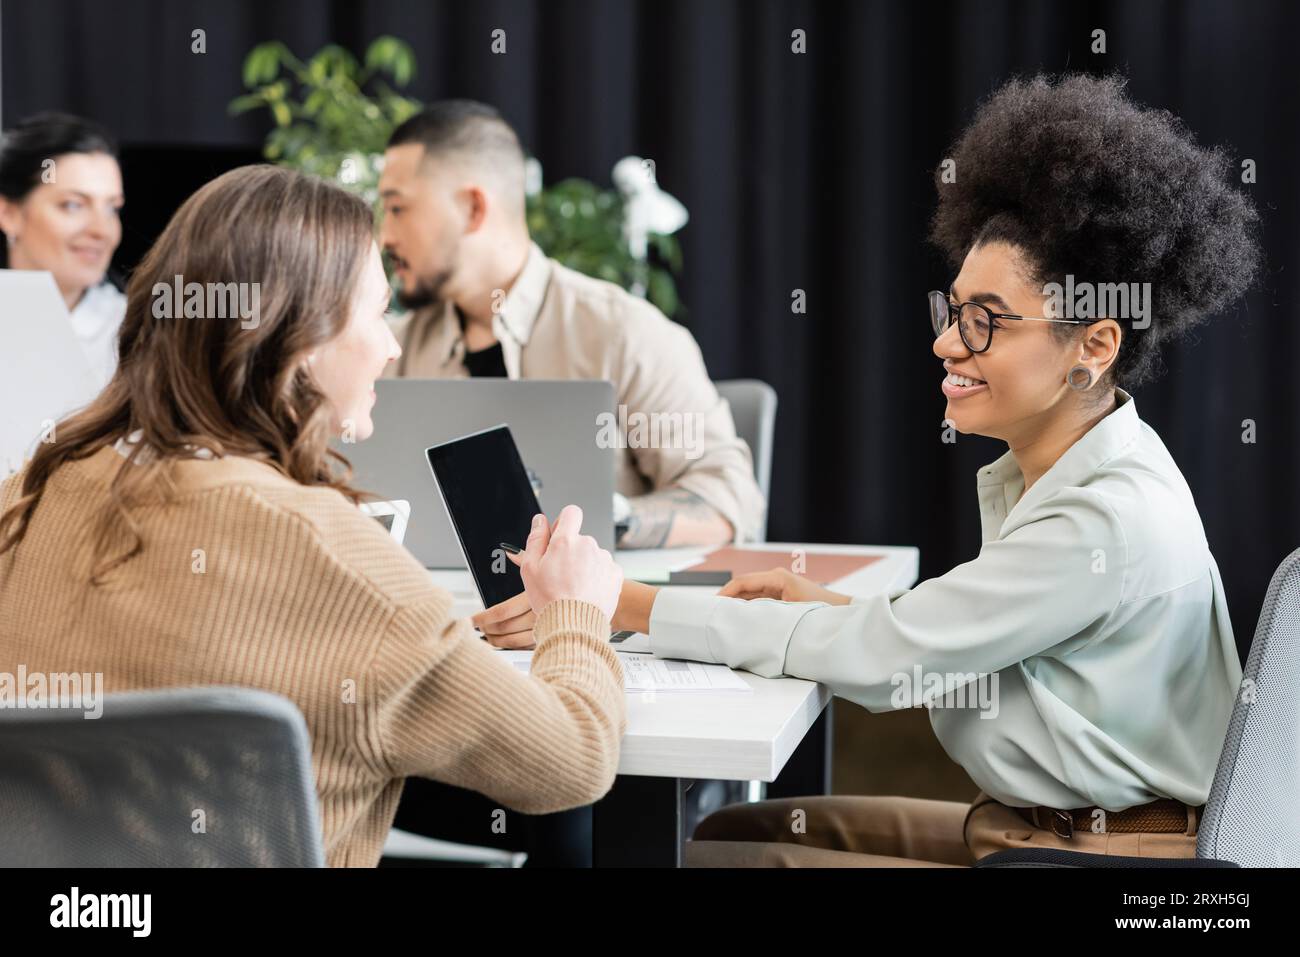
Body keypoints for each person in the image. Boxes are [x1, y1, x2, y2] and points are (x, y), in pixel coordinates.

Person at [490, 73, 1261, 866]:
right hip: (1034, 829)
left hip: (1098, 860)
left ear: (1093, 347)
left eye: (985, 323)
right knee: (725, 834)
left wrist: (620, 599)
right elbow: (949, 649)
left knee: (720, 861)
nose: (948, 344)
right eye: (953, 312)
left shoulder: (1102, 517)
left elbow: (891, 661)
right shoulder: (1093, 466)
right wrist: (826, 607)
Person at [0, 164, 627, 868]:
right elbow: (572, 762)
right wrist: (577, 615)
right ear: (300, 336)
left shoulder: (28, 493)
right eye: (377, 311)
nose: (392, 345)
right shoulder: (336, 560)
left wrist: (437, 647)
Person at [377, 99, 765, 550]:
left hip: (588, 616)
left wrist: (604, 521)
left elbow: (727, 500)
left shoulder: (623, 333)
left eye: (397, 209)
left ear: (473, 209)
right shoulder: (393, 348)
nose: (384, 236)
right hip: (442, 612)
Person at [0, 112, 126, 386]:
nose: (100, 230)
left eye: (111, 208)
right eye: (73, 205)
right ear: (9, 213)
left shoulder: (136, 333)